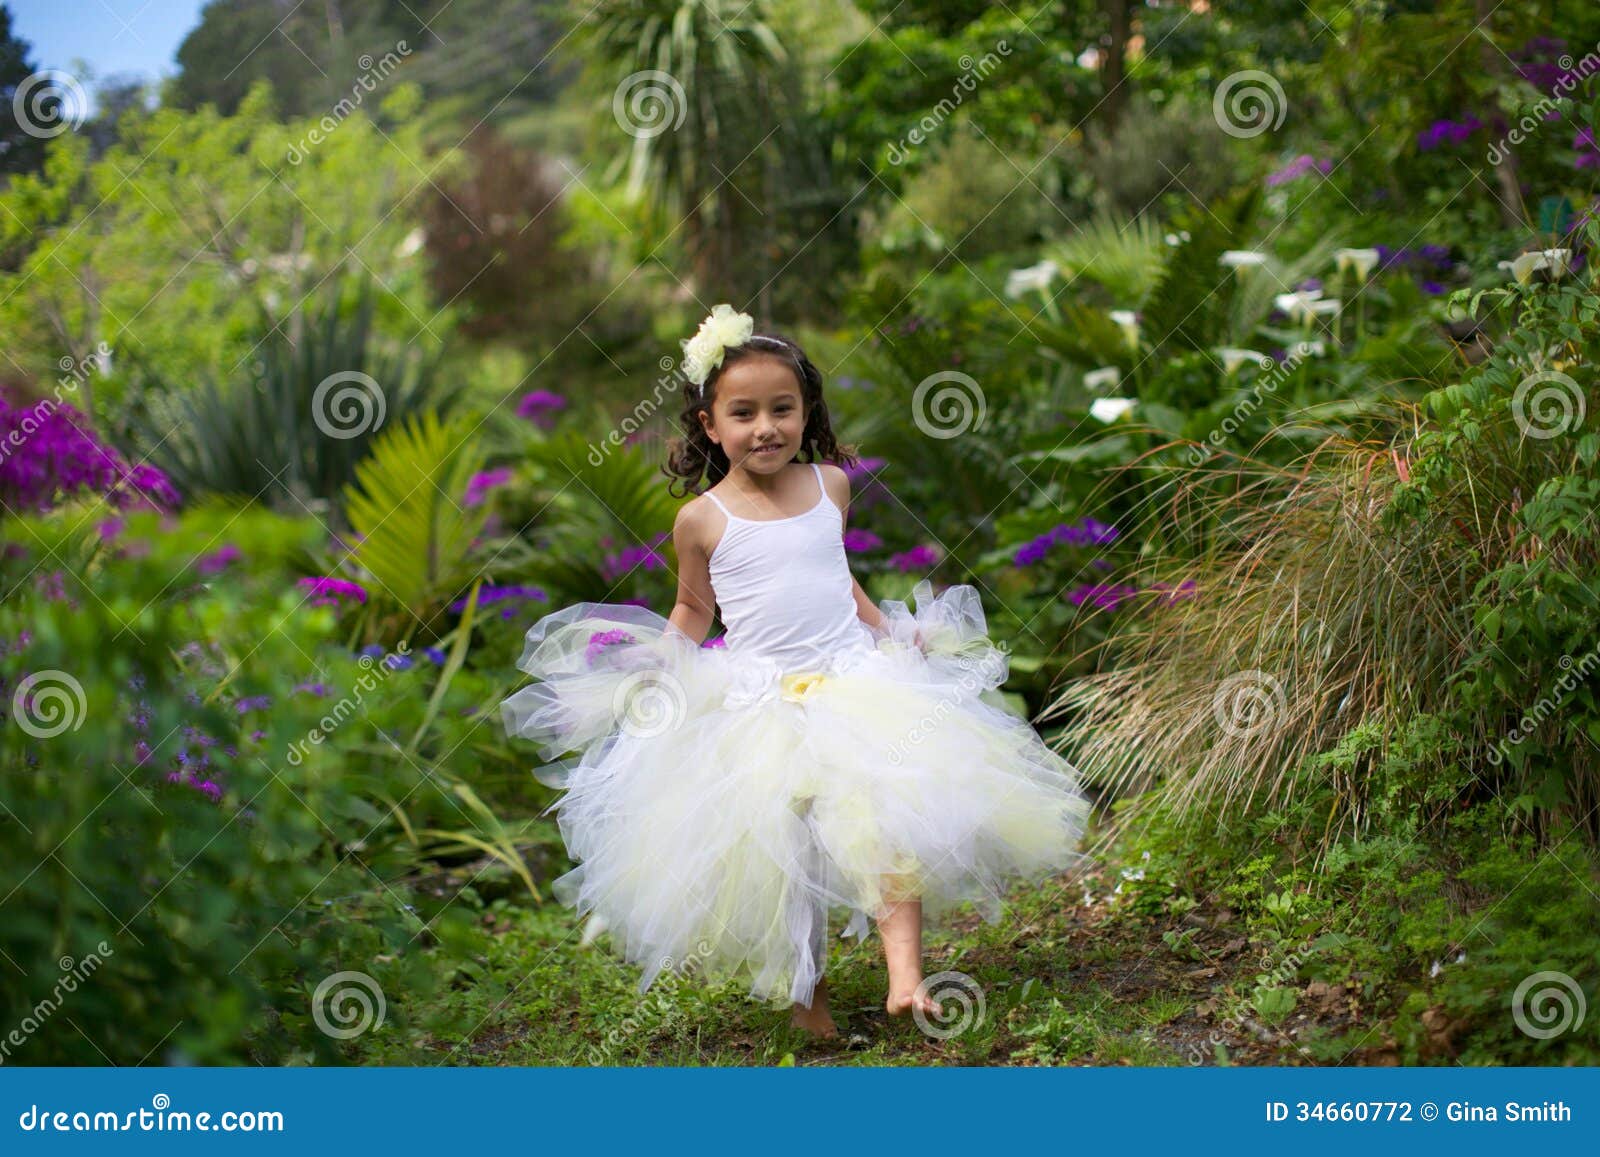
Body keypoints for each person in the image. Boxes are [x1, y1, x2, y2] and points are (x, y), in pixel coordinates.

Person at [500, 304, 1091, 1039]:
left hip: (857, 685)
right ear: (710, 424)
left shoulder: (830, 486)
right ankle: (808, 1001)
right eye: (743, 413)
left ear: (806, 411)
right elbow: (693, 608)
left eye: (782, 408)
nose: (766, 427)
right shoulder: (702, 519)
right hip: (760, 701)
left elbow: (839, 579)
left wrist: (890, 633)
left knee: (889, 822)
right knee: (786, 857)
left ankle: (906, 977)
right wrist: (663, 658)